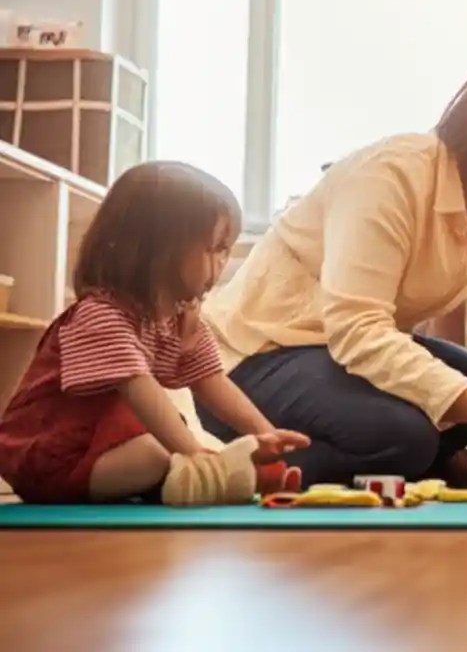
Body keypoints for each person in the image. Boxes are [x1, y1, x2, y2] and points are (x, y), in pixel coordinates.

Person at [197, 44, 467, 486]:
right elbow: (356, 329)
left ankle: (415, 468)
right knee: (404, 435)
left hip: (333, 355)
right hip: (258, 355)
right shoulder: (389, 177)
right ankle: (219, 467)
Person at [0, 163, 310, 505]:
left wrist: (266, 433)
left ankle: (215, 476)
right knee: (161, 450)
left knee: (170, 442)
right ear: (160, 247)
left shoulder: (175, 319)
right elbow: (141, 393)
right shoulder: (100, 316)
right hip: (51, 456)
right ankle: (211, 480)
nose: (222, 262)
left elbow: (211, 380)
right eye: (216, 248)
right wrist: (198, 457)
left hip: (99, 447)